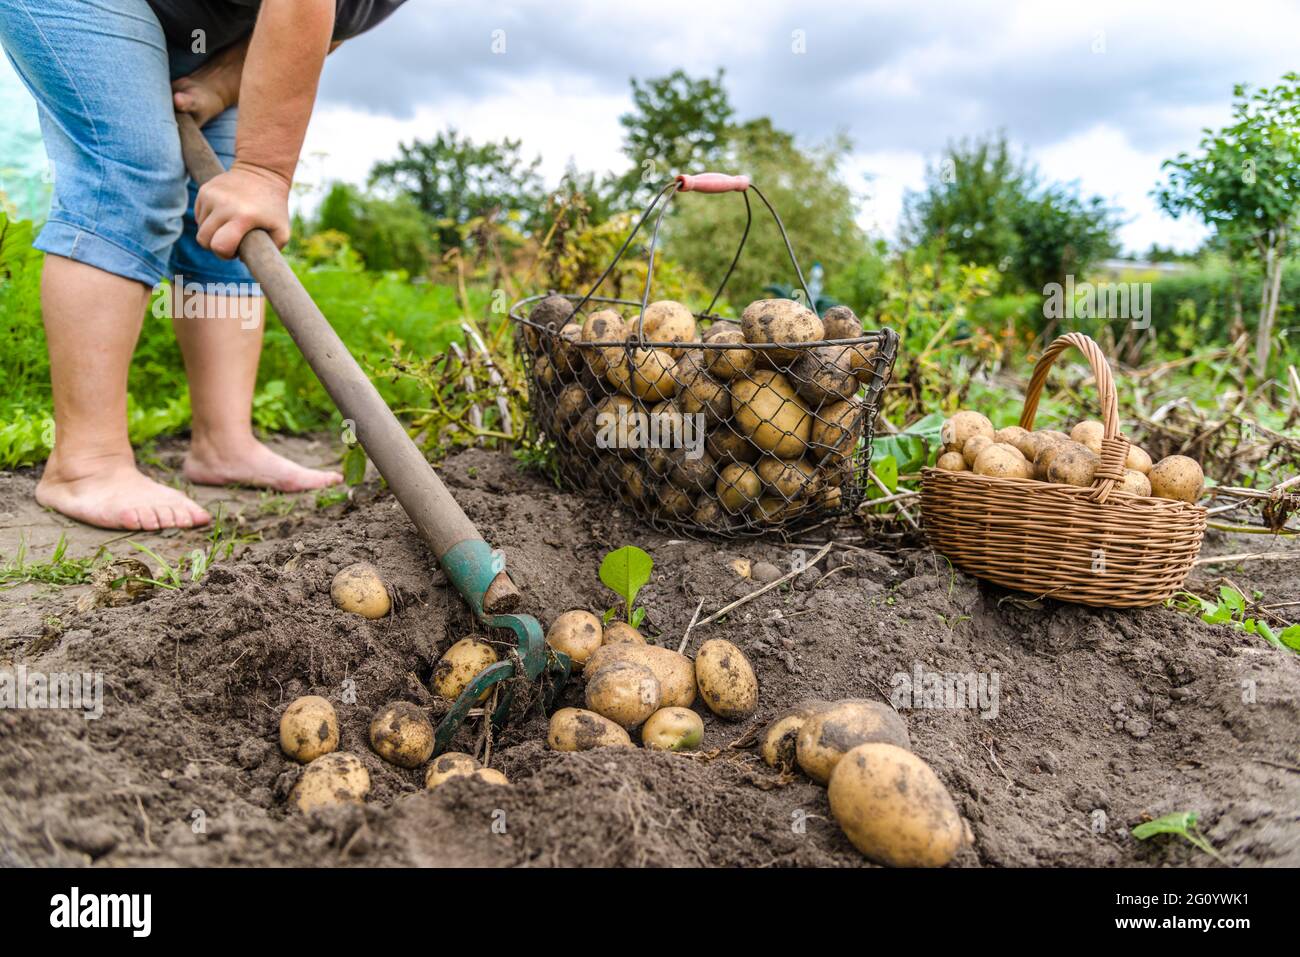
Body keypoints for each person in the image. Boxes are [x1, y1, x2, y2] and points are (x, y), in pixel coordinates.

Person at [0, 0, 406, 530]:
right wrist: (264, 171)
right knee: (130, 170)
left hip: (203, 28)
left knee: (228, 216)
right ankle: (86, 464)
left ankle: (223, 443)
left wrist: (220, 82)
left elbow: (329, 24)